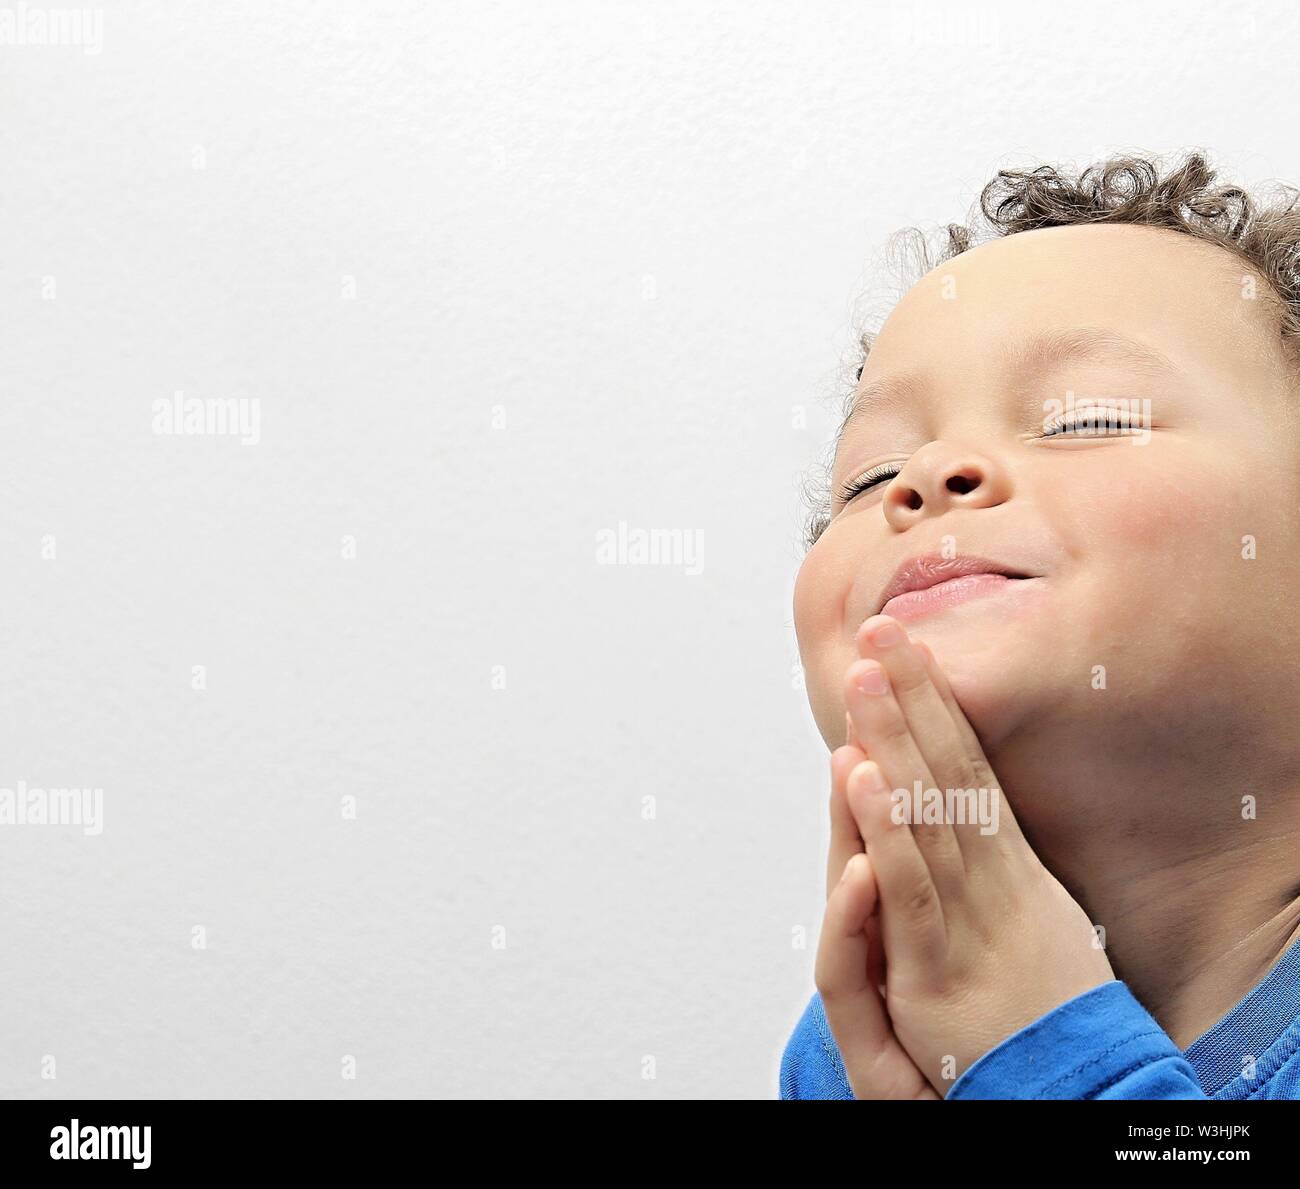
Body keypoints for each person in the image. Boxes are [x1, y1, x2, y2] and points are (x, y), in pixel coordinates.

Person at [781, 152, 1300, 1099]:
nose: (927, 476)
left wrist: (1044, 1059)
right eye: (866, 475)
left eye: (1085, 419)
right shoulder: (857, 1035)